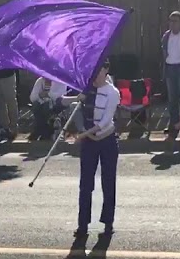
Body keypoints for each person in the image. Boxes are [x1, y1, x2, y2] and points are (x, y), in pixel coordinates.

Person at [64, 60, 119, 239]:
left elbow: (105, 121)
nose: (96, 75)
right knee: (86, 184)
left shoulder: (113, 92)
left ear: (107, 70)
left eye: (100, 70)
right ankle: (82, 225)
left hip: (106, 139)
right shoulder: (87, 89)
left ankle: (108, 222)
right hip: (89, 140)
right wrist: (76, 99)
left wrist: (84, 135)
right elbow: (65, 102)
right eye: (94, 70)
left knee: (108, 181)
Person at [29, 77, 69, 141]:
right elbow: (32, 97)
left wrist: (48, 94)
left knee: (46, 107)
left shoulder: (60, 81)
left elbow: (61, 95)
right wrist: (40, 95)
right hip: (41, 103)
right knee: (35, 106)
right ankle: (42, 130)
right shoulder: (40, 81)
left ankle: (43, 131)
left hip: (56, 104)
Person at [0, 69, 18, 140]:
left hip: (8, 75)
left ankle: (13, 126)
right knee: (0, 103)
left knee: (11, 101)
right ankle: (4, 127)